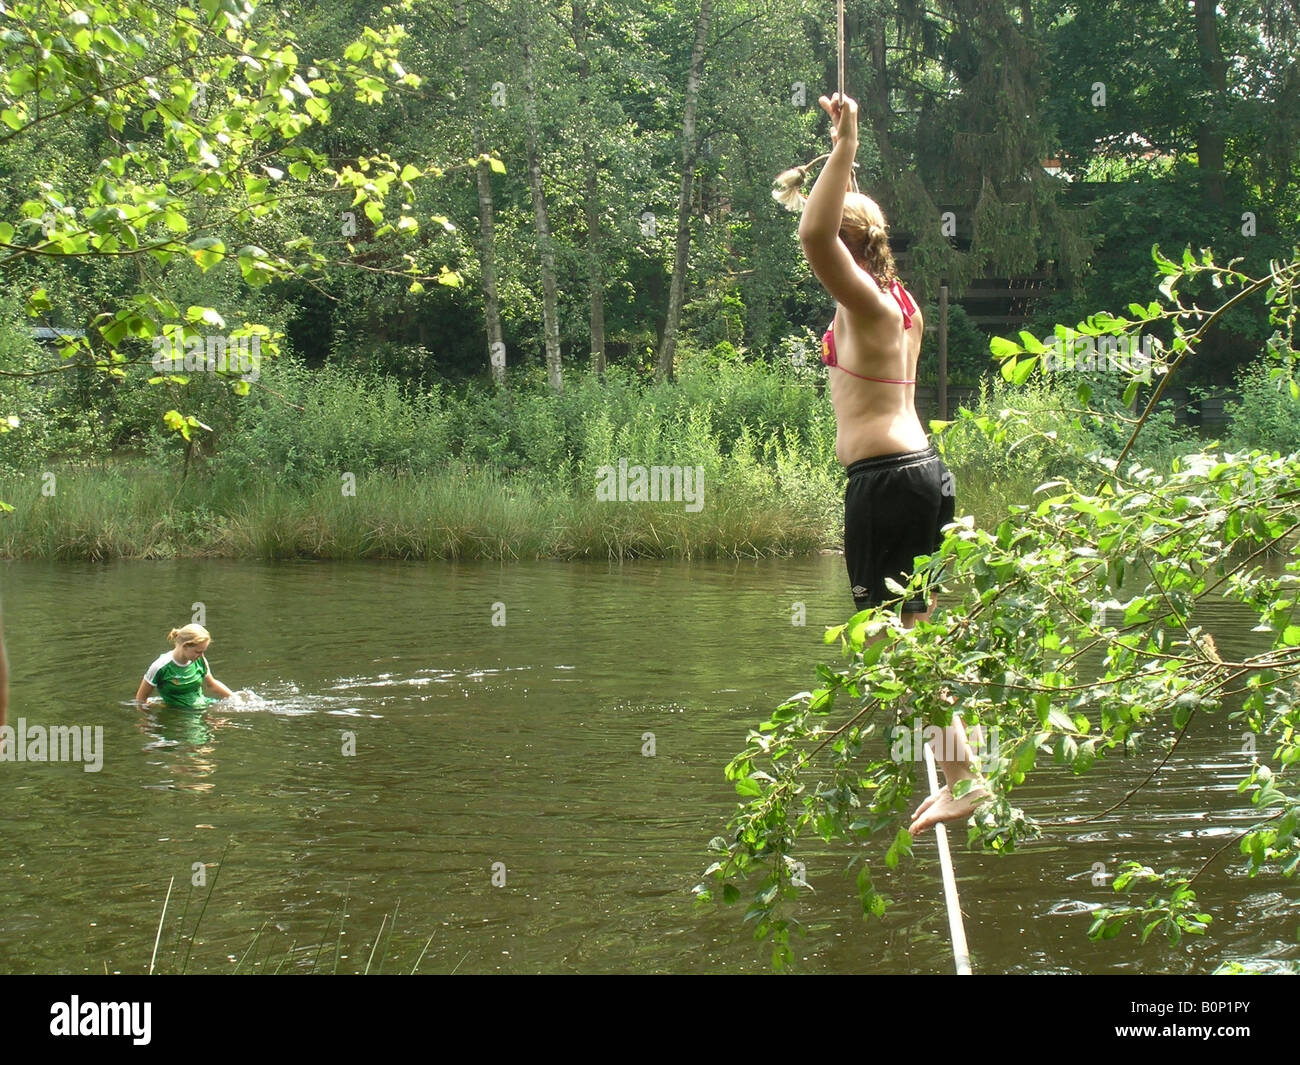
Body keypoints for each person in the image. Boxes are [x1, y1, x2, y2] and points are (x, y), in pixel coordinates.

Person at [794, 91, 985, 837]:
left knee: (882, 636)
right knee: (917, 627)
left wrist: (845, 145)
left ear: (847, 244)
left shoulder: (870, 306)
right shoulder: (901, 303)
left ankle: (964, 776)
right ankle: (961, 766)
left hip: (886, 484)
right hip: (922, 476)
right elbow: (826, 229)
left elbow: (814, 232)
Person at [135, 624, 233, 710]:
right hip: (177, 715)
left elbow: (212, 684)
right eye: (198, 652)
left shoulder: (200, 660)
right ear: (185, 646)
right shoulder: (160, 667)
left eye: (203, 651)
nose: (201, 655)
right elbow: (140, 700)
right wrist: (148, 723)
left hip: (202, 708)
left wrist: (234, 698)